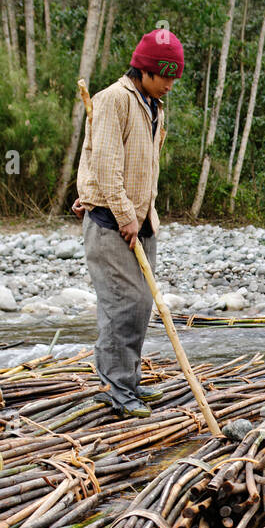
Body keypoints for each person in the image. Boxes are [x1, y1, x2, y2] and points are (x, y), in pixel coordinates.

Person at [72, 29, 183, 418]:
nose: (170, 84)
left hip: (140, 219)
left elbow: (108, 160)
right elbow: (105, 164)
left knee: (141, 306)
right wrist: (122, 215)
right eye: (165, 76)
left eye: (174, 77)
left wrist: (137, 217)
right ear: (144, 71)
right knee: (124, 303)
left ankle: (127, 380)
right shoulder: (112, 100)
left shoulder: (154, 106)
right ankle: (115, 388)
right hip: (110, 223)